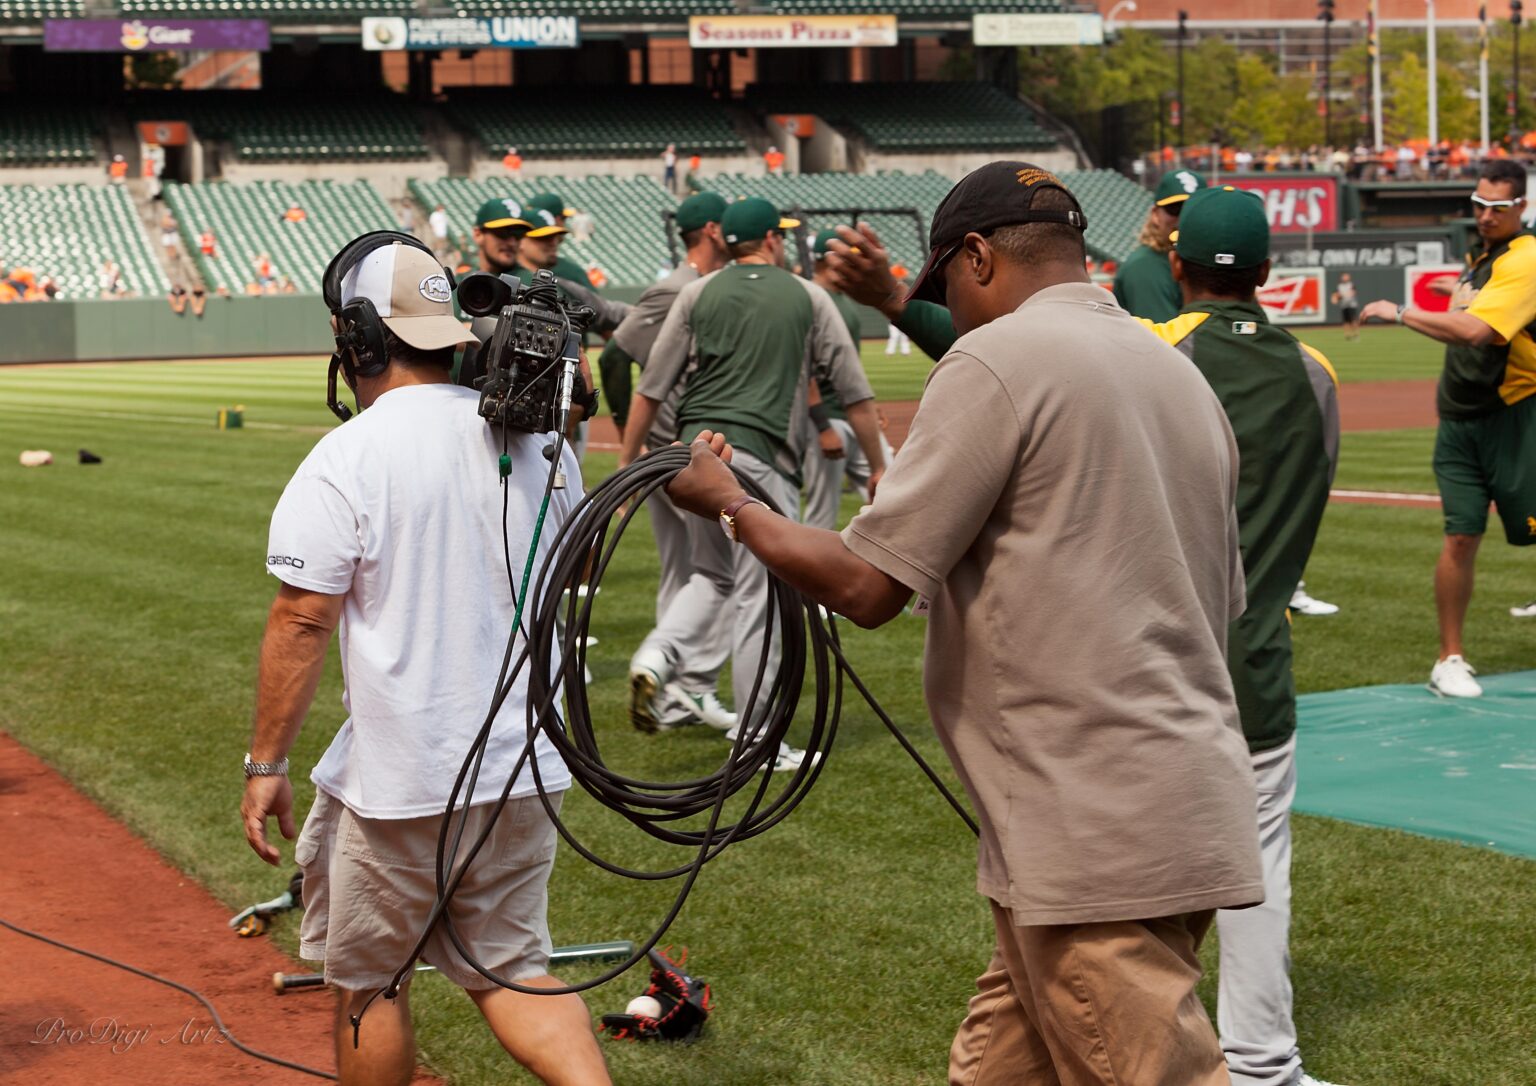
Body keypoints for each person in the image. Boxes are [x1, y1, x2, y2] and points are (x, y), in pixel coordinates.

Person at [663, 162, 1263, 1085]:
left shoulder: (996, 358)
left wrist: (732, 503)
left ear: (977, 257)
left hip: (1085, 822)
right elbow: (1219, 603)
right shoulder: (1173, 370)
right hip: (1181, 796)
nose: (955, 313)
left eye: (947, 287)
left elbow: (866, 586)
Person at [242, 234, 610, 1086]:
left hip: (403, 780)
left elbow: (302, 619)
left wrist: (266, 763)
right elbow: (581, 563)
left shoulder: (348, 455)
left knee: (371, 982)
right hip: (525, 767)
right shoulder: (540, 444)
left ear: (358, 340)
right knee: (513, 970)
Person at [1141, 185, 1345, 1086]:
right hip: (1257, 660)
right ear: (1267, 271)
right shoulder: (1316, 372)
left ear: (1175, 263)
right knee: (1258, 870)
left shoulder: (1151, 350)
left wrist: (892, 300)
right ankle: (1263, 1062)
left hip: (1147, 663)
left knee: (1129, 880)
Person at [618, 197, 888, 765]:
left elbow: (651, 389)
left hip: (692, 457)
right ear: (770, 239)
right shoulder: (808, 295)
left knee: (711, 576)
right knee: (761, 596)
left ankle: (657, 654)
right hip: (757, 460)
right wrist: (878, 465)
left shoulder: (698, 292)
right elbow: (856, 393)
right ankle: (756, 739)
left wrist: (627, 462)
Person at [1360, 158, 1536, 698]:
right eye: (1479, 204)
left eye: (1497, 207)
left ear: (1522, 207)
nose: (1485, 215)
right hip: (1458, 421)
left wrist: (1399, 312)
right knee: (1460, 534)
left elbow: (1476, 331)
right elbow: (1468, 309)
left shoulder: (1527, 257)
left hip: (1515, 415)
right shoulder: (1480, 260)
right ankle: (1449, 658)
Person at [598, 191, 738, 730]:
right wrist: (627, 444)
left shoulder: (702, 286)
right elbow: (616, 356)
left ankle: (671, 690)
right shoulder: (677, 289)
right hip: (680, 450)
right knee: (719, 572)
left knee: (681, 572)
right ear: (712, 230)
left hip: (671, 450)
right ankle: (690, 681)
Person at [803, 227, 889, 530]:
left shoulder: (843, 299)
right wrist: (823, 426)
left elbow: (848, 369)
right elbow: (804, 370)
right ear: (829, 259)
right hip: (827, 419)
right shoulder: (809, 298)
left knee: (893, 493)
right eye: (848, 256)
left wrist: (869, 407)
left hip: (854, 418)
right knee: (821, 516)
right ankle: (806, 564)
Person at [1113, 169, 1206, 322]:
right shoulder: (1144, 267)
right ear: (1155, 215)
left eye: (1194, 210)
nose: (1183, 218)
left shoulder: (1199, 261)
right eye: (1175, 209)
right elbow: (1161, 335)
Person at [884, 262, 912, 355]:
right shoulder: (892, 287)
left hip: (903, 315)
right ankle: (890, 351)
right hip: (894, 315)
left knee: (904, 335)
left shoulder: (903, 287)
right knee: (894, 335)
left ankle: (905, 351)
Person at [1332, 272, 1360, 340]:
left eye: (1346, 276)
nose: (1344, 278)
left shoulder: (1351, 284)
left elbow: (1353, 293)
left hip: (1351, 305)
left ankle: (1356, 334)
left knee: (1353, 320)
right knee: (1346, 321)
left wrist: (1343, 295)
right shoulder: (1339, 286)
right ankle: (1347, 335)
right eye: (1343, 277)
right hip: (1344, 306)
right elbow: (1337, 295)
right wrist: (1335, 298)